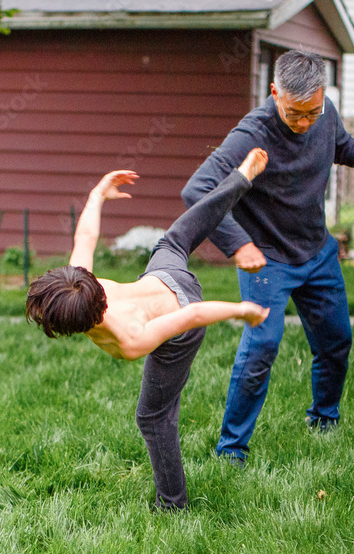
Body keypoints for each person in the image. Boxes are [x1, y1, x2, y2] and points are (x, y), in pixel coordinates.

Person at [181, 49, 354, 466]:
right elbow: (197, 190)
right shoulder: (251, 134)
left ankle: (324, 421)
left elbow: (341, 147)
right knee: (261, 346)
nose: (304, 123)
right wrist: (238, 244)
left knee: (337, 342)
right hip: (268, 261)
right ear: (275, 92)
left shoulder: (323, 111)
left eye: (312, 113)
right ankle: (231, 451)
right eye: (295, 113)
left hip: (317, 252)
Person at [26, 148, 270, 509]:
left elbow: (191, 317)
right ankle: (239, 179)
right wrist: (97, 194)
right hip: (165, 276)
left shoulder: (130, 338)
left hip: (181, 318)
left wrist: (241, 310)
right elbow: (85, 238)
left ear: (73, 326)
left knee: (153, 416)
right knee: (178, 235)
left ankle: (172, 504)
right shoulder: (81, 283)